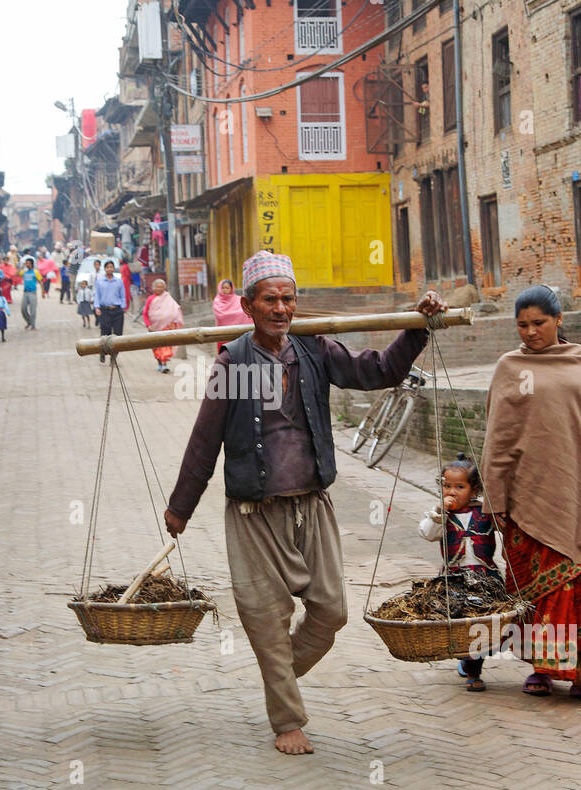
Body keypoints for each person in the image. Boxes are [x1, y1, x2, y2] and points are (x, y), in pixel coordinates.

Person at [163, 250, 447, 755]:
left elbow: (377, 370)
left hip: (312, 505)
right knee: (264, 615)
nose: (281, 308)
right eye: (270, 299)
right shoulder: (235, 363)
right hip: (255, 514)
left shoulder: (313, 351)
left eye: (288, 298)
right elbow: (204, 442)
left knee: (332, 611)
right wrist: (180, 508)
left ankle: (279, 674)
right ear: (249, 306)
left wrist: (417, 330)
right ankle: (287, 718)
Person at [481, 285, 581, 702]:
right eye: (522, 325)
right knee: (537, 591)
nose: (530, 332)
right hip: (529, 499)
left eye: (539, 323)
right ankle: (541, 668)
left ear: (559, 321)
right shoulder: (509, 367)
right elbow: (497, 439)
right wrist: (495, 499)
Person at [417, 454, 503, 693]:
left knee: (482, 623)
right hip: (455, 580)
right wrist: (438, 512)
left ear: (473, 489)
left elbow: (506, 527)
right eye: (447, 486)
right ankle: (469, 663)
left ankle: (474, 667)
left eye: (459, 487)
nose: (451, 492)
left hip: (485, 580)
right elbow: (426, 533)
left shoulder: (485, 512)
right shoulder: (441, 515)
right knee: (462, 623)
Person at [142, 278, 183, 373]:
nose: (159, 289)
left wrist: (174, 321)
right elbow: (145, 313)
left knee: (165, 344)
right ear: (153, 288)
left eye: (161, 287)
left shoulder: (168, 298)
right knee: (156, 346)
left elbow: (175, 309)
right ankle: (159, 363)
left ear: (164, 288)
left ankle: (164, 364)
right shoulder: (150, 299)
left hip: (167, 327)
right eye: (157, 287)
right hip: (154, 327)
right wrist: (148, 325)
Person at [94, 259, 127, 364]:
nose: (109, 269)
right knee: (105, 333)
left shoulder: (119, 281)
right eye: (107, 267)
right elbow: (97, 296)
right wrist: (97, 307)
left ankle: (114, 357)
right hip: (105, 310)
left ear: (113, 269)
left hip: (117, 310)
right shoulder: (99, 282)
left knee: (118, 335)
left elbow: (123, 295)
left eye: (111, 267)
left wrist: (123, 307)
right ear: (105, 269)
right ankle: (102, 352)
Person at [212, 278, 252, 352]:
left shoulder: (238, 300)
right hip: (223, 334)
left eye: (227, 288)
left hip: (239, 334)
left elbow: (245, 311)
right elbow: (221, 315)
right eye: (223, 288)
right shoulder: (217, 301)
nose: (224, 290)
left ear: (231, 288)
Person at [20, 256, 39, 330]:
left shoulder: (35, 272)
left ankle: (33, 325)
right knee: (23, 309)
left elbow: (40, 281)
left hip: (32, 293)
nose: (26, 264)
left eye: (27, 263)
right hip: (25, 293)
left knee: (32, 310)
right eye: (26, 263)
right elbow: (16, 273)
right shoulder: (24, 272)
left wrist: (43, 292)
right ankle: (29, 321)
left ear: (31, 264)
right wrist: (21, 266)